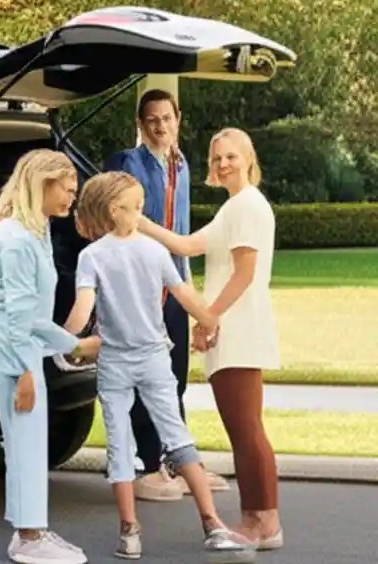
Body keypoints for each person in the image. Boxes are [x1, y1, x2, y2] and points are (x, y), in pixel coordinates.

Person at [62, 171, 253, 561]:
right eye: (137, 206)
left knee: (119, 445)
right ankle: (212, 523)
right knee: (177, 437)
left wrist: (62, 342)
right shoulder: (154, 251)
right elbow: (186, 296)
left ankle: (129, 532)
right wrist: (210, 321)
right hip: (153, 359)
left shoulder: (91, 256)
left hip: (114, 361)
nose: (143, 213)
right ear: (117, 211)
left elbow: (81, 313)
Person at [138, 127, 283, 551]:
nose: (222, 164)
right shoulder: (234, 208)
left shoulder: (248, 207)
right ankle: (257, 519)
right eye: (217, 158)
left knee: (247, 431)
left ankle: (263, 523)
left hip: (236, 329)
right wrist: (140, 221)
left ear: (248, 159)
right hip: (230, 329)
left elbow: (244, 274)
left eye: (231, 157)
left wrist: (208, 320)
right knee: (244, 429)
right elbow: (184, 244)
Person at [104, 88, 230, 500]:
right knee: (145, 375)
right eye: (152, 119)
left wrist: (187, 281)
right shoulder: (127, 164)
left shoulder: (181, 166)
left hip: (172, 284)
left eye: (167, 117)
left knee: (173, 376)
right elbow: (121, 218)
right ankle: (150, 462)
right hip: (139, 286)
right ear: (141, 125)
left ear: (179, 119)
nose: (160, 125)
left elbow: (180, 223)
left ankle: (178, 459)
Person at [0, 149, 102, 564]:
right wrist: (29, 371)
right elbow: (20, 317)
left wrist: (72, 345)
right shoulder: (15, 238)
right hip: (13, 353)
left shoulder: (36, 230)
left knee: (26, 444)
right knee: (27, 446)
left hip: (22, 348)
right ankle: (30, 539)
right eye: (66, 190)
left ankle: (29, 530)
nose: (72, 198)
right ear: (41, 184)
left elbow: (32, 316)